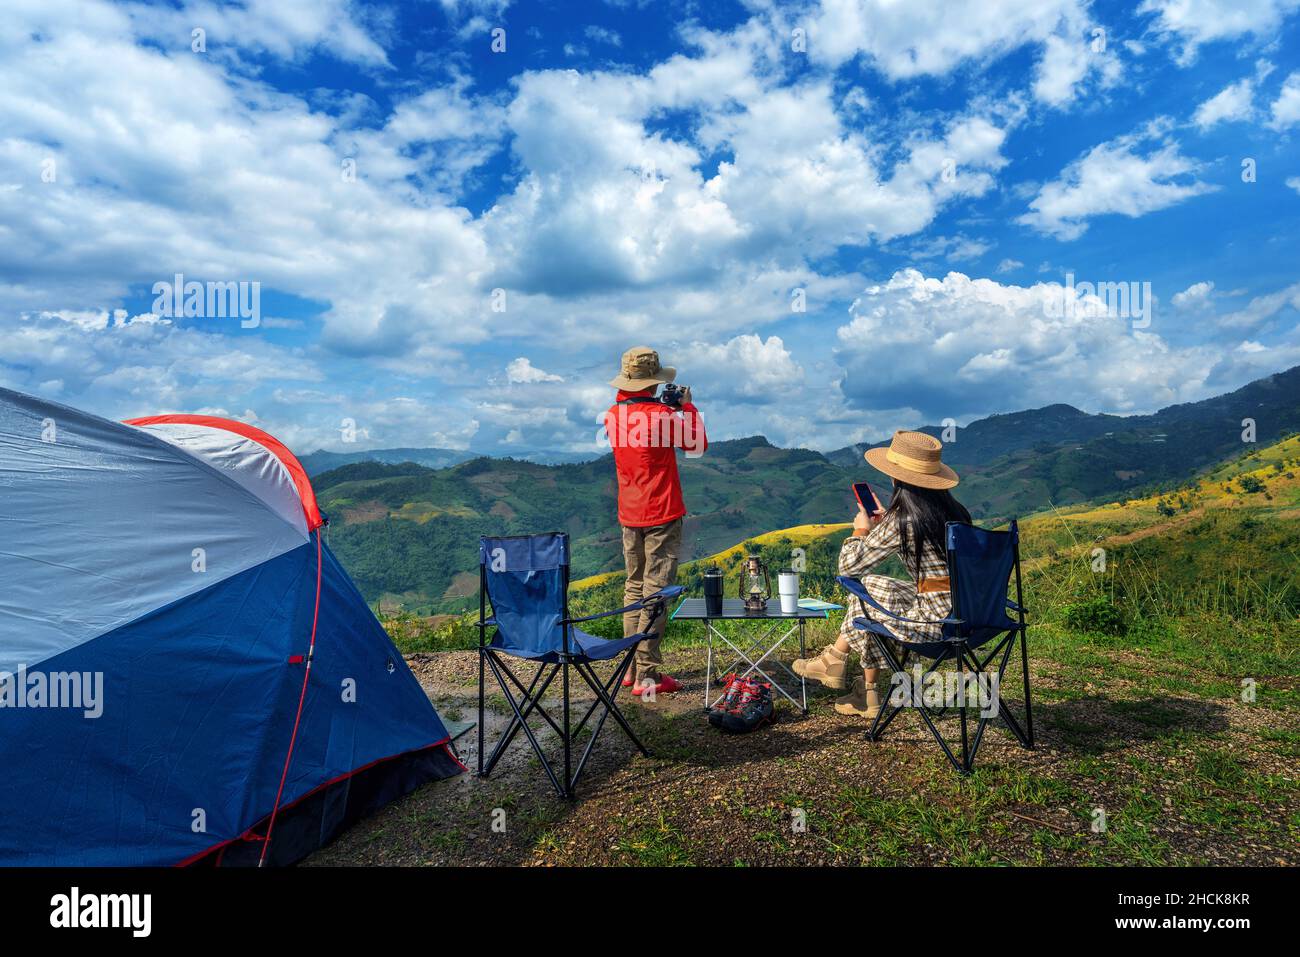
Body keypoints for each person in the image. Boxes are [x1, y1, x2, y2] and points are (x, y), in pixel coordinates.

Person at [792, 430, 970, 720]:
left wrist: (861, 530)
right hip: (974, 616)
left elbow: (848, 568)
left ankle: (849, 674)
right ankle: (855, 680)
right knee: (874, 585)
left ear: (897, 478)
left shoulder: (904, 521)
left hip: (937, 625)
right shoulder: (957, 513)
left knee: (862, 591)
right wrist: (886, 522)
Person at [604, 346, 707, 698]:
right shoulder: (661, 417)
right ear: (653, 382)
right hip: (661, 512)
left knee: (634, 586)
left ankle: (631, 668)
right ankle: (648, 675)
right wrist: (686, 408)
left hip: (628, 513)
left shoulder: (612, 415)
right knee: (656, 591)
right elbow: (697, 446)